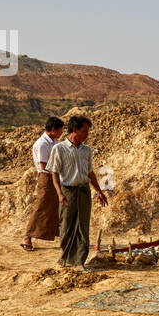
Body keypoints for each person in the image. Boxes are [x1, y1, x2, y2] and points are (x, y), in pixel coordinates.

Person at [47, 115, 108, 268]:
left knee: (83, 227)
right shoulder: (59, 149)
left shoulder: (86, 150)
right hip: (67, 191)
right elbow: (54, 173)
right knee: (66, 225)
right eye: (85, 131)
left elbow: (90, 173)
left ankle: (79, 261)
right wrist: (60, 194)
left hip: (84, 191)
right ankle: (64, 254)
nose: (87, 135)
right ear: (75, 130)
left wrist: (99, 191)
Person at [22, 117, 64, 251]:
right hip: (46, 177)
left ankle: (59, 235)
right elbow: (43, 165)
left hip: (55, 176)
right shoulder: (42, 144)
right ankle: (28, 236)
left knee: (55, 206)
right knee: (41, 206)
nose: (61, 133)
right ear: (53, 130)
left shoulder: (54, 141)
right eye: (60, 130)